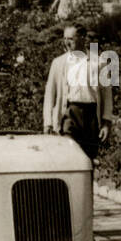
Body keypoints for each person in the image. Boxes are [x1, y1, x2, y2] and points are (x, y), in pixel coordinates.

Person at [43, 24, 112, 161]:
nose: (67, 42)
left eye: (71, 38)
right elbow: (50, 94)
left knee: (89, 157)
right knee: (69, 154)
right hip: (69, 112)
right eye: (65, 38)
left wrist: (106, 123)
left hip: (91, 114)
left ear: (82, 38)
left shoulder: (99, 63)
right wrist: (48, 122)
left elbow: (107, 96)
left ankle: (88, 182)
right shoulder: (58, 63)